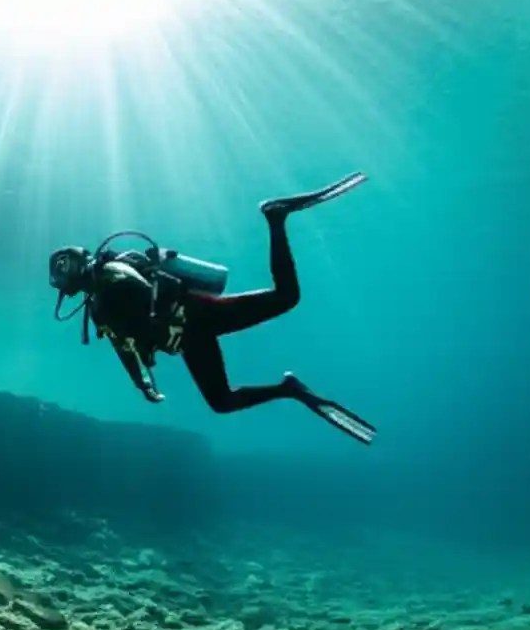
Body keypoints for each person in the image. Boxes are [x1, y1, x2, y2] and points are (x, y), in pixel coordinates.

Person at [48, 172, 376, 445]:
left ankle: (275, 217)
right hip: (191, 337)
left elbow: (155, 294)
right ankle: (289, 389)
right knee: (221, 402)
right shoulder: (98, 309)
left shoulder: (112, 276)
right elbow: (125, 349)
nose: (62, 278)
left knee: (286, 298)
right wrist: (144, 384)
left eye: (62, 270)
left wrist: (151, 339)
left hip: (198, 315)